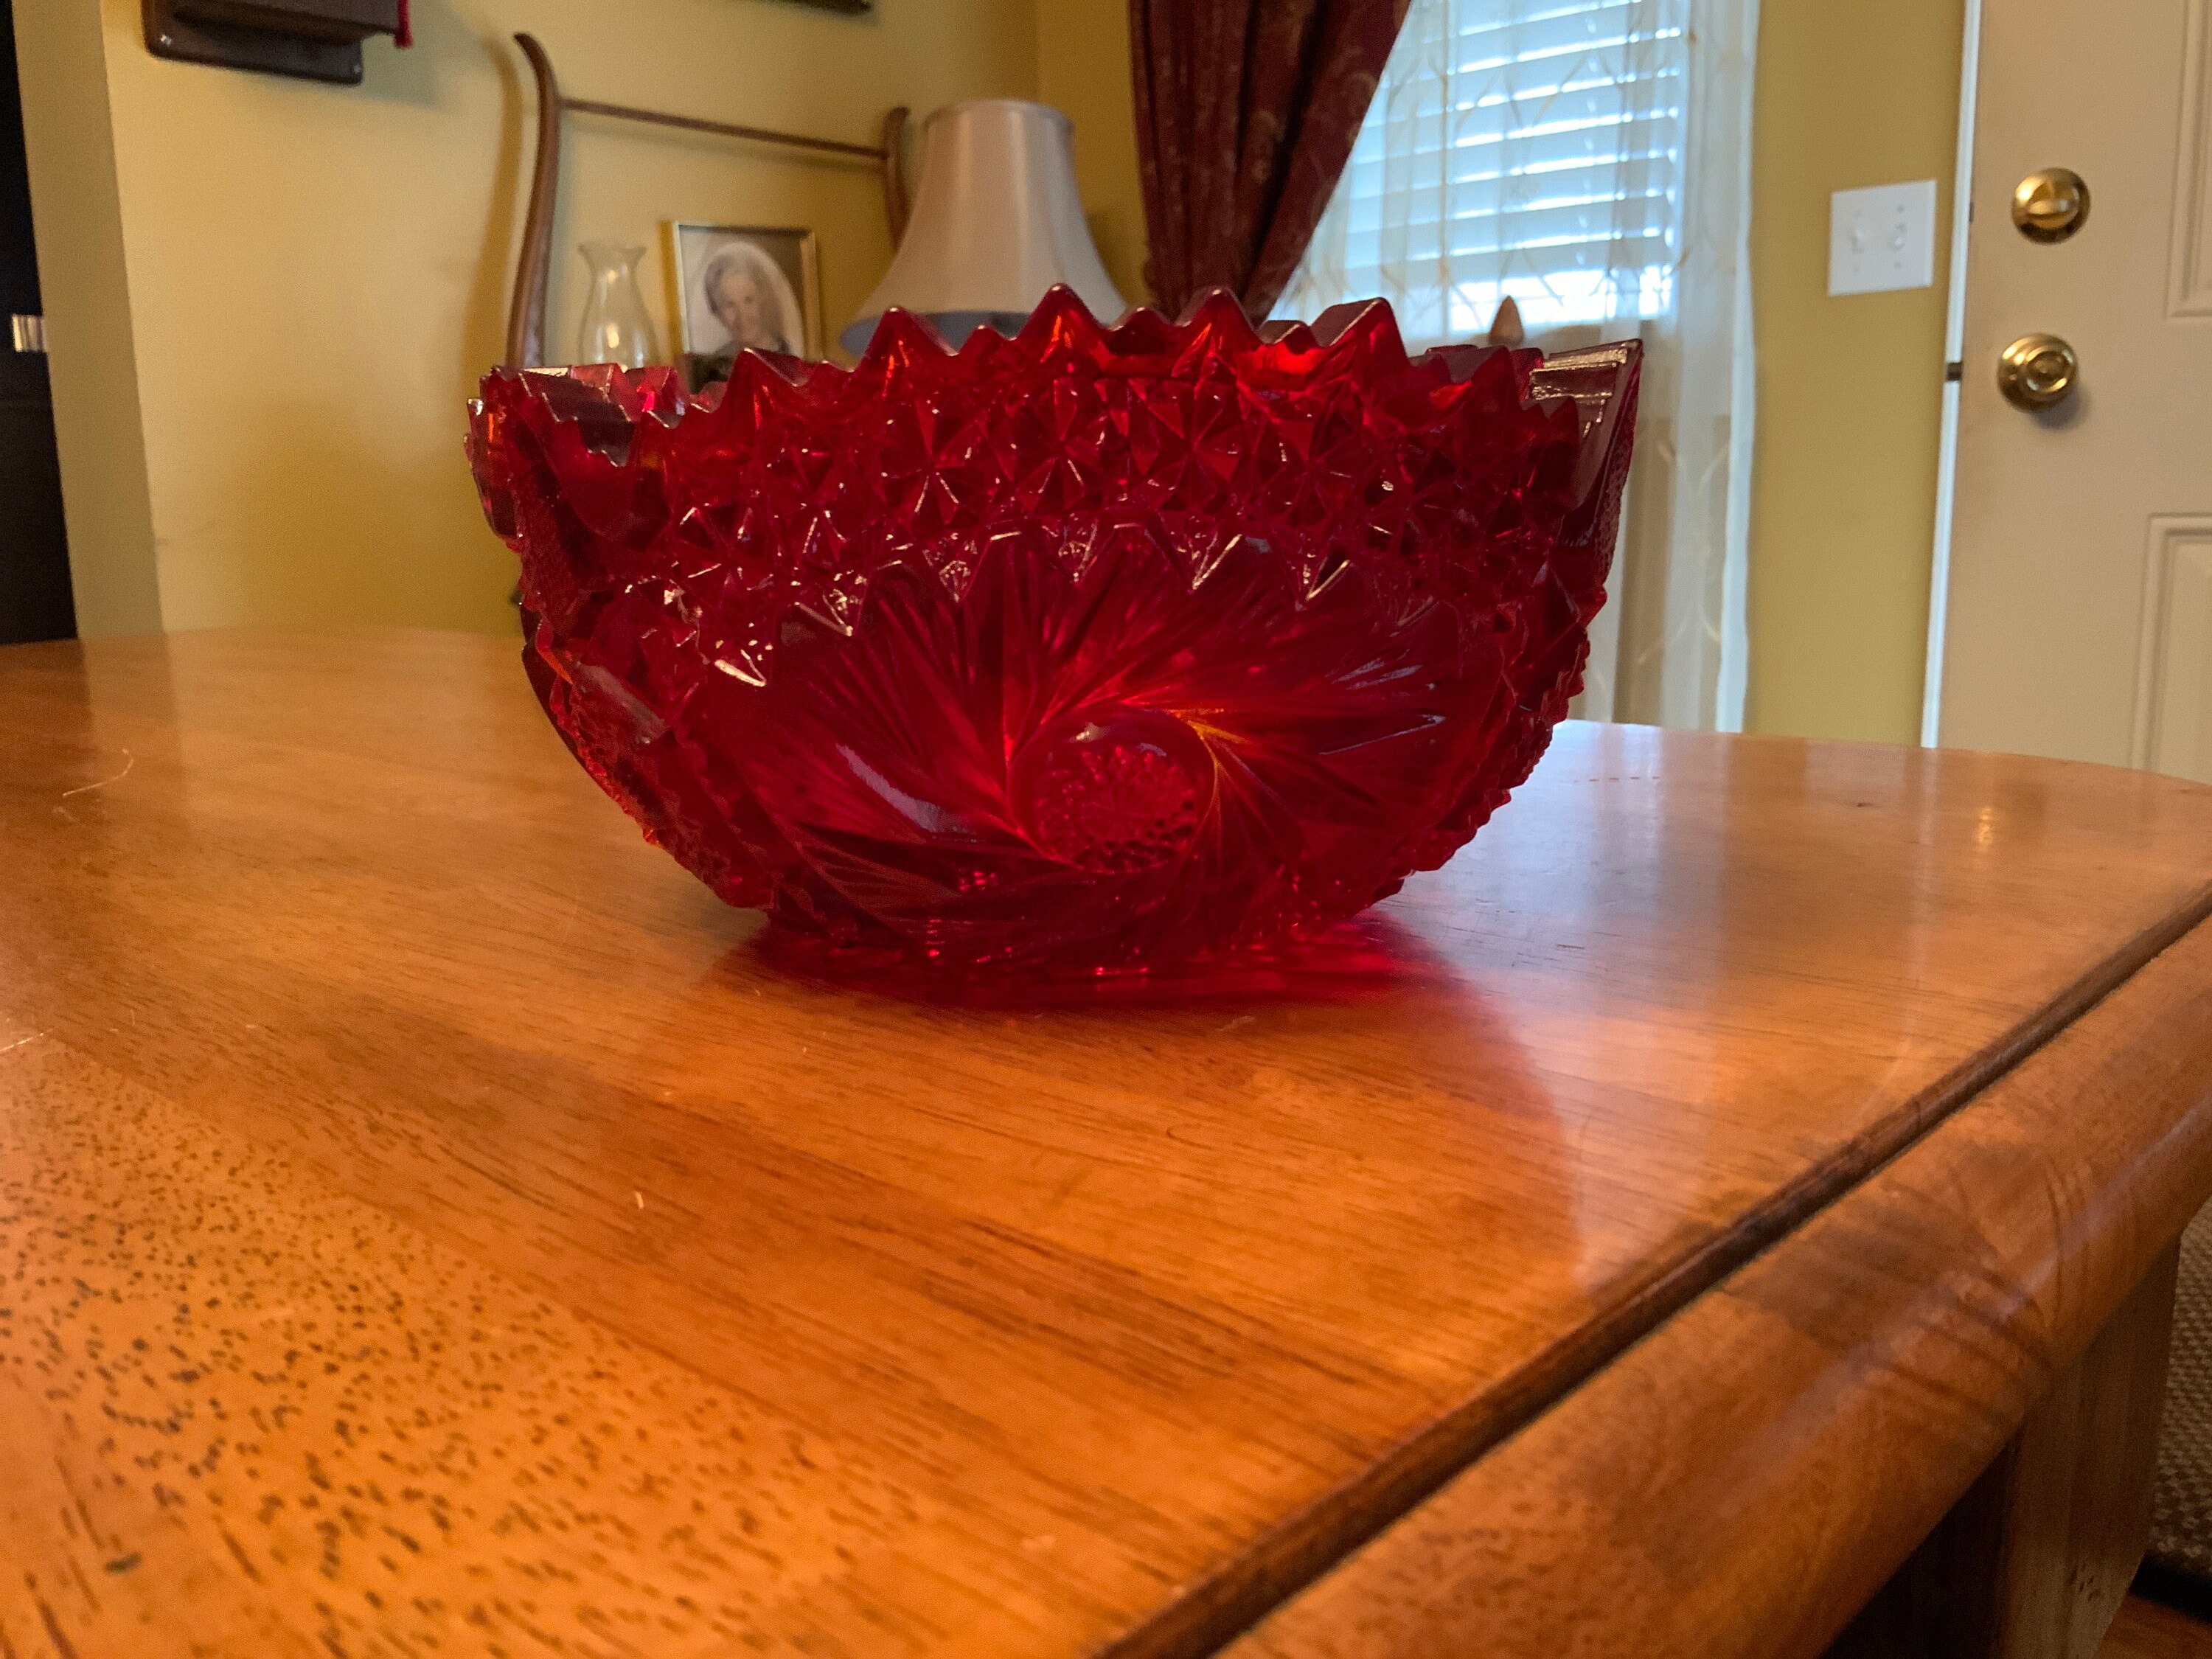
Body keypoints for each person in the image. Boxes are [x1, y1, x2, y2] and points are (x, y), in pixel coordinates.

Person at [690, 241, 801, 386]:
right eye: (730, 305)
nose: (742, 315)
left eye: (748, 300)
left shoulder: (789, 359)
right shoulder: (714, 369)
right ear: (717, 314)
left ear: (761, 299)